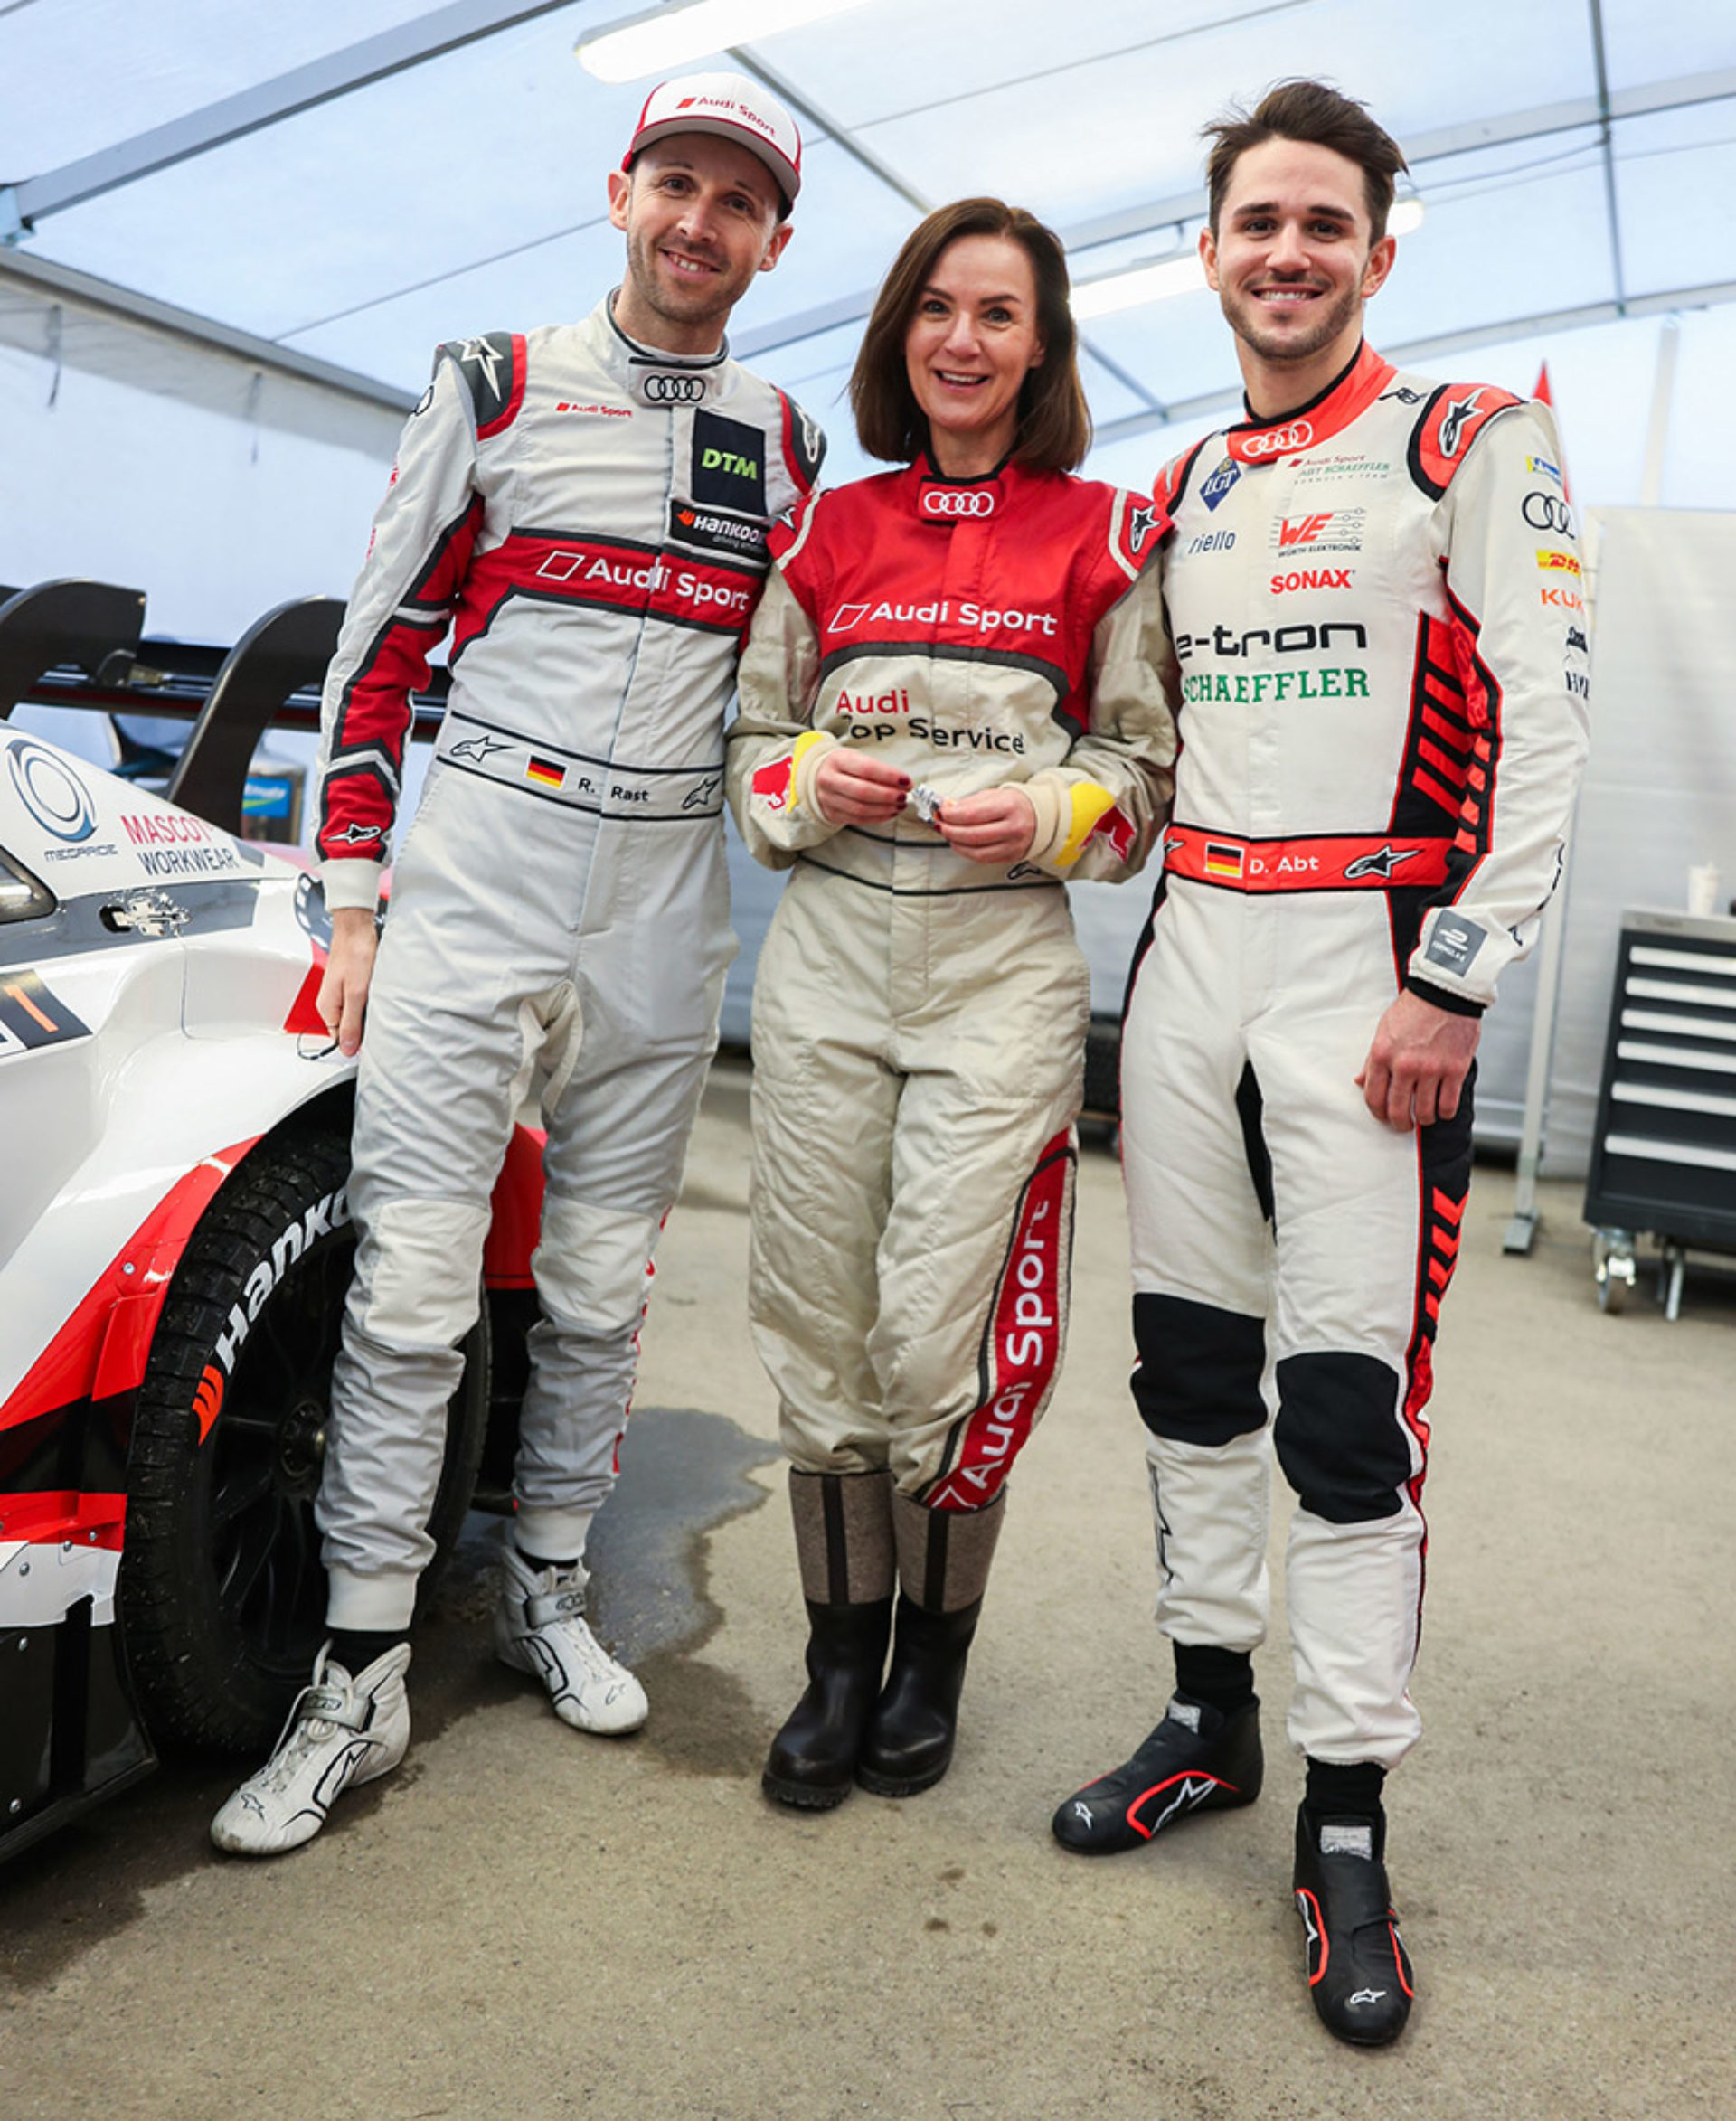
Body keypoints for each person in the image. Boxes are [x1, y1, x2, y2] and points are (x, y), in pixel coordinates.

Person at [212, 73, 823, 1856]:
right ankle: (359, 1672)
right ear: (619, 191)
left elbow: (791, 691)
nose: (700, 222)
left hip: (663, 885)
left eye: (739, 202)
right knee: (411, 1284)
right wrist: (351, 904)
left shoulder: (784, 434)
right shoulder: (491, 373)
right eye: (676, 185)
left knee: (605, 1277)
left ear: (778, 239)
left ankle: (550, 1585)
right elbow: (379, 651)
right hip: (480, 861)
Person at [1051, 82, 1590, 2045]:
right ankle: (1211, 1716)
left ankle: (1345, 1820)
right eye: (1253, 223)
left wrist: (1455, 980)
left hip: (1371, 975)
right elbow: (1136, 740)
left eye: (1323, 224)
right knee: (1188, 1370)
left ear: (1378, 243)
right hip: (1192, 958)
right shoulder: (1179, 485)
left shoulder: (1469, 439)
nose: (1287, 252)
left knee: (1347, 1417)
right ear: (1206, 254)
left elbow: (1550, 725)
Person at [726, 198, 1175, 1812]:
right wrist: (798, 774)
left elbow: (1143, 770)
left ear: (1040, 344)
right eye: (935, 307)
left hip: (1001, 966)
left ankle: (935, 1660)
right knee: (816, 1320)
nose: (962, 339)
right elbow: (748, 751)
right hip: (832, 947)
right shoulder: (822, 531)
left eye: (996, 312)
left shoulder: (1107, 532)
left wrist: (1055, 814)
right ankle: (838, 1662)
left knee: (939, 1336)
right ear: (899, 332)